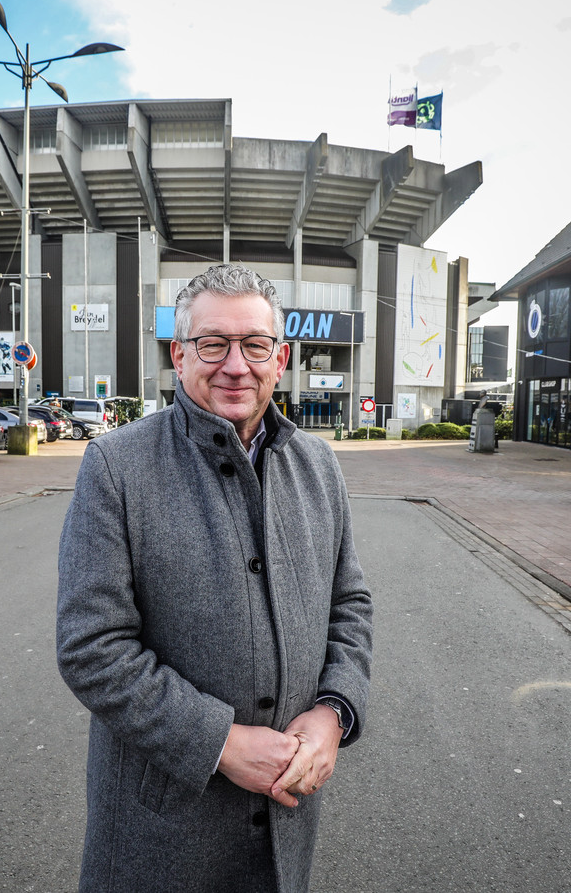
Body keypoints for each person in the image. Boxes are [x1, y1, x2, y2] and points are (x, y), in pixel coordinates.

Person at [56, 264, 374, 893]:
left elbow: (349, 603)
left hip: (286, 824)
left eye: (255, 345)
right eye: (213, 344)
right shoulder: (116, 467)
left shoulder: (319, 464)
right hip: (162, 833)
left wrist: (335, 712)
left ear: (279, 359)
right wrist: (221, 742)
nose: (236, 365)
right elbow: (92, 647)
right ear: (180, 354)